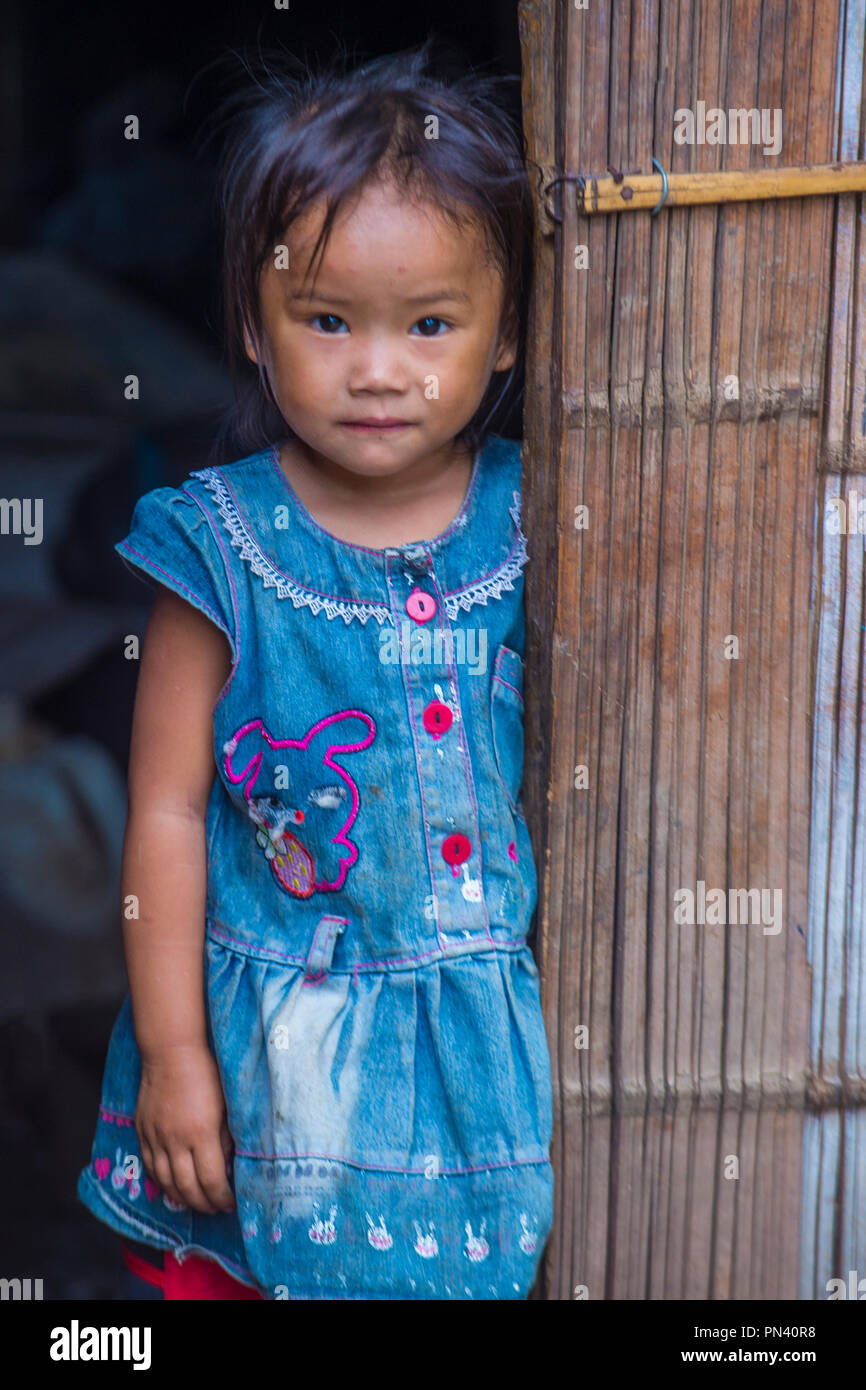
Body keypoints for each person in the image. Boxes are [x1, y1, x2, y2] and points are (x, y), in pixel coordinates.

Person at [77, 38, 554, 1301]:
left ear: (504, 336)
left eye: (431, 322)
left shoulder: (542, 521)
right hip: (272, 1051)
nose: (379, 368)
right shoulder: (221, 548)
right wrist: (179, 1055)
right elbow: (170, 811)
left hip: (477, 1048)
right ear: (252, 323)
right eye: (326, 319)